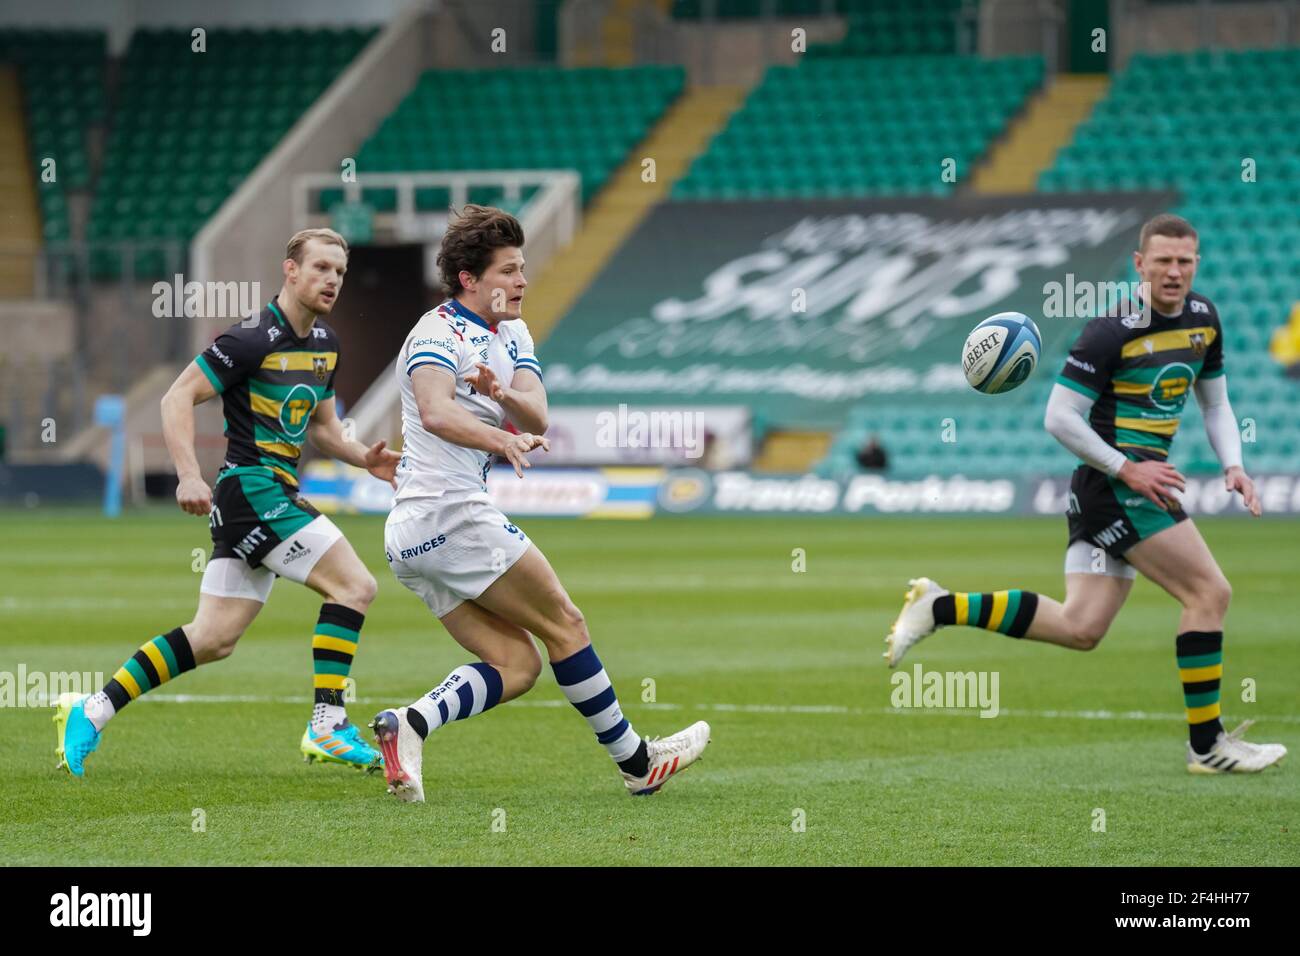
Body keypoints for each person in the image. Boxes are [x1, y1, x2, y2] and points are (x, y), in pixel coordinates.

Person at [884, 214, 1285, 774]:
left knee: (1081, 629)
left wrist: (1234, 466)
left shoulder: (1204, 319)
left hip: (1115, 489)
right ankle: (1207, 745)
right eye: (1163, 260)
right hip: (1120, 487)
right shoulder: (1111, 329)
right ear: (1139, 264)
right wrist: (1130, 470)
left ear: (1196, 263)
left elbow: (1214, 403)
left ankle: (940, 606)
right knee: (1209, 594)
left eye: (1185, 261)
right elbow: (1059, 416)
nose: (1174, 271)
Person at [371, 205, 710, 802]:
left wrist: (502, 394)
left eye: (523, 268)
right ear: (470, 280)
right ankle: (636, 763)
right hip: (449, 512)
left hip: (414, 533)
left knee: (516, 666)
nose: (522, 281)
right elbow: (435, 411)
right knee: (566, 624)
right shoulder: (436, 333)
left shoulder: (514, 333)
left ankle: (410, 724)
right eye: (508, 271)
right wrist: (501, 436)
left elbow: (539, 411)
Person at [54, 228, 400, 776]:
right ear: (290, 271)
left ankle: (91, 709)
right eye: (320, 268)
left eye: (339, 271)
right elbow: (177, 396)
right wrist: (188, 475)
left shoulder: (325, 345)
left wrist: (364, 458)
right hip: (251, 488)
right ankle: (328, 724)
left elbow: (326, 429)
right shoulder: (250, 338)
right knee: (356, 586)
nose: (332, 279)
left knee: (213, 638)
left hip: (273, 492)